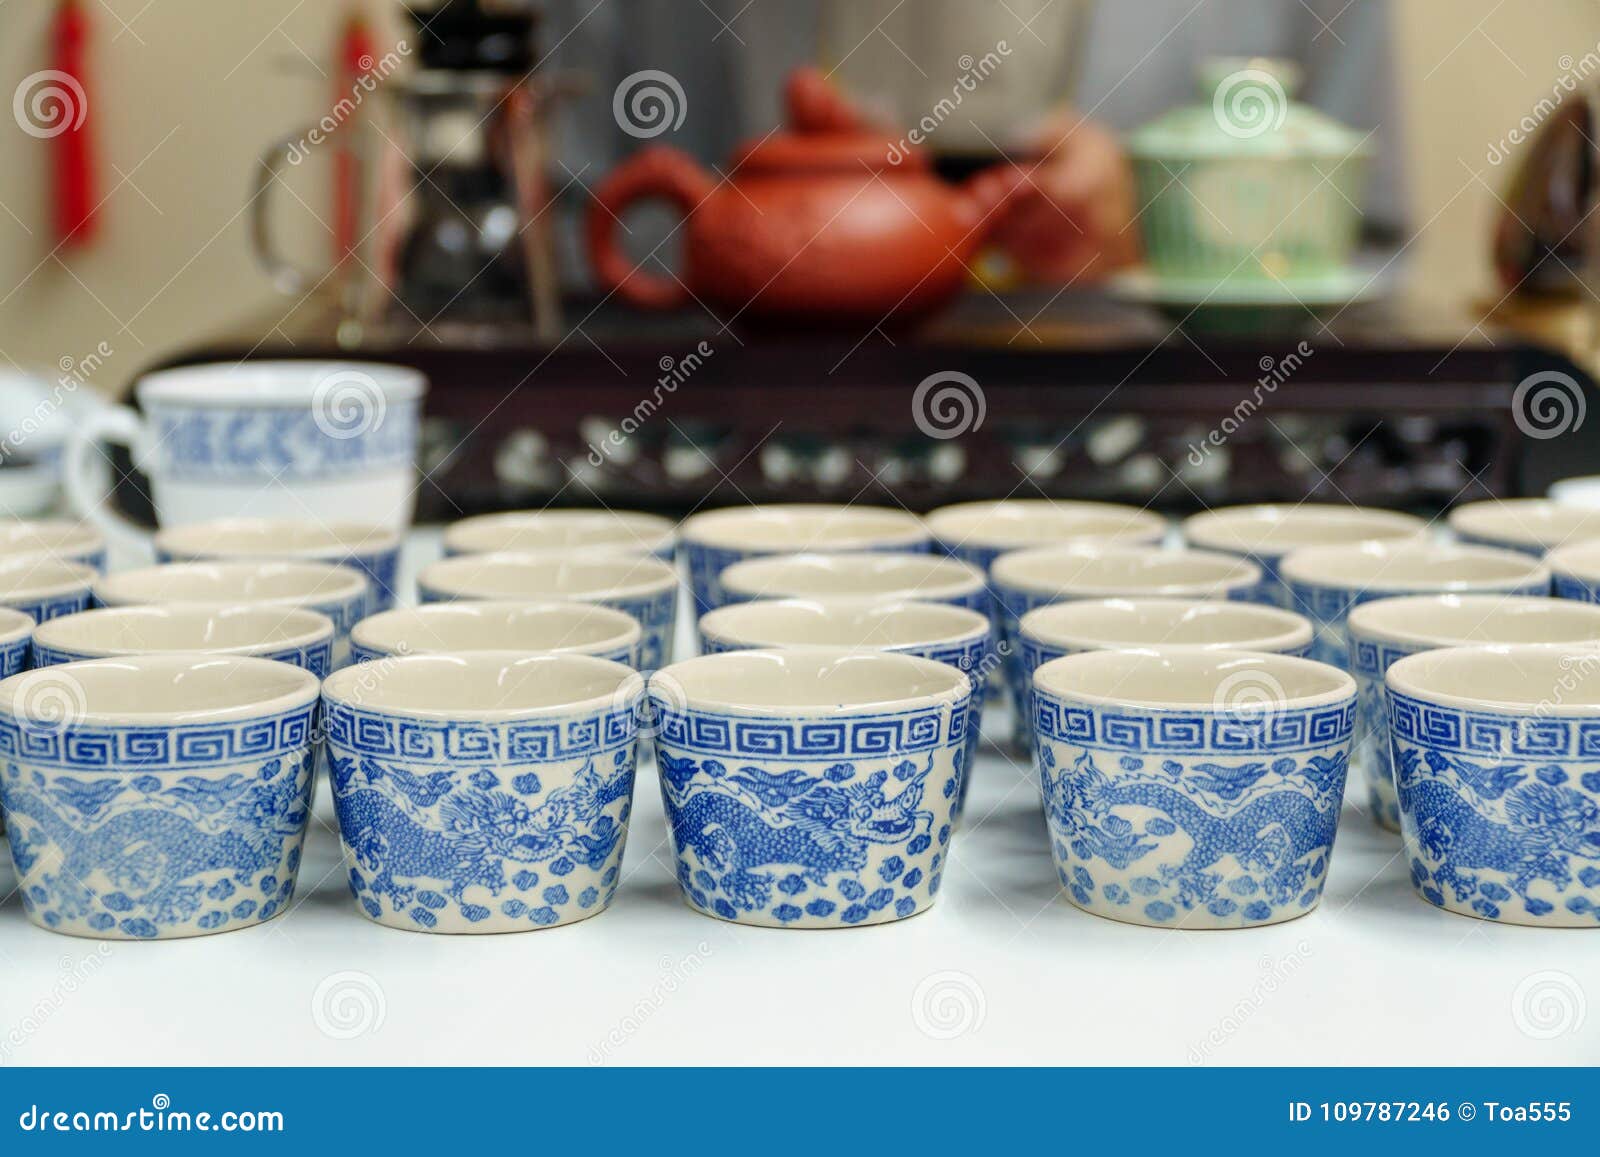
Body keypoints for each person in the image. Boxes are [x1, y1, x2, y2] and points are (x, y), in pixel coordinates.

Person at [546, 0, 1397, 291]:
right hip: (742, 471)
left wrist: (1157, 243)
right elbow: (575, 245)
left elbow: (1380, 268)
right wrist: (772, 236)